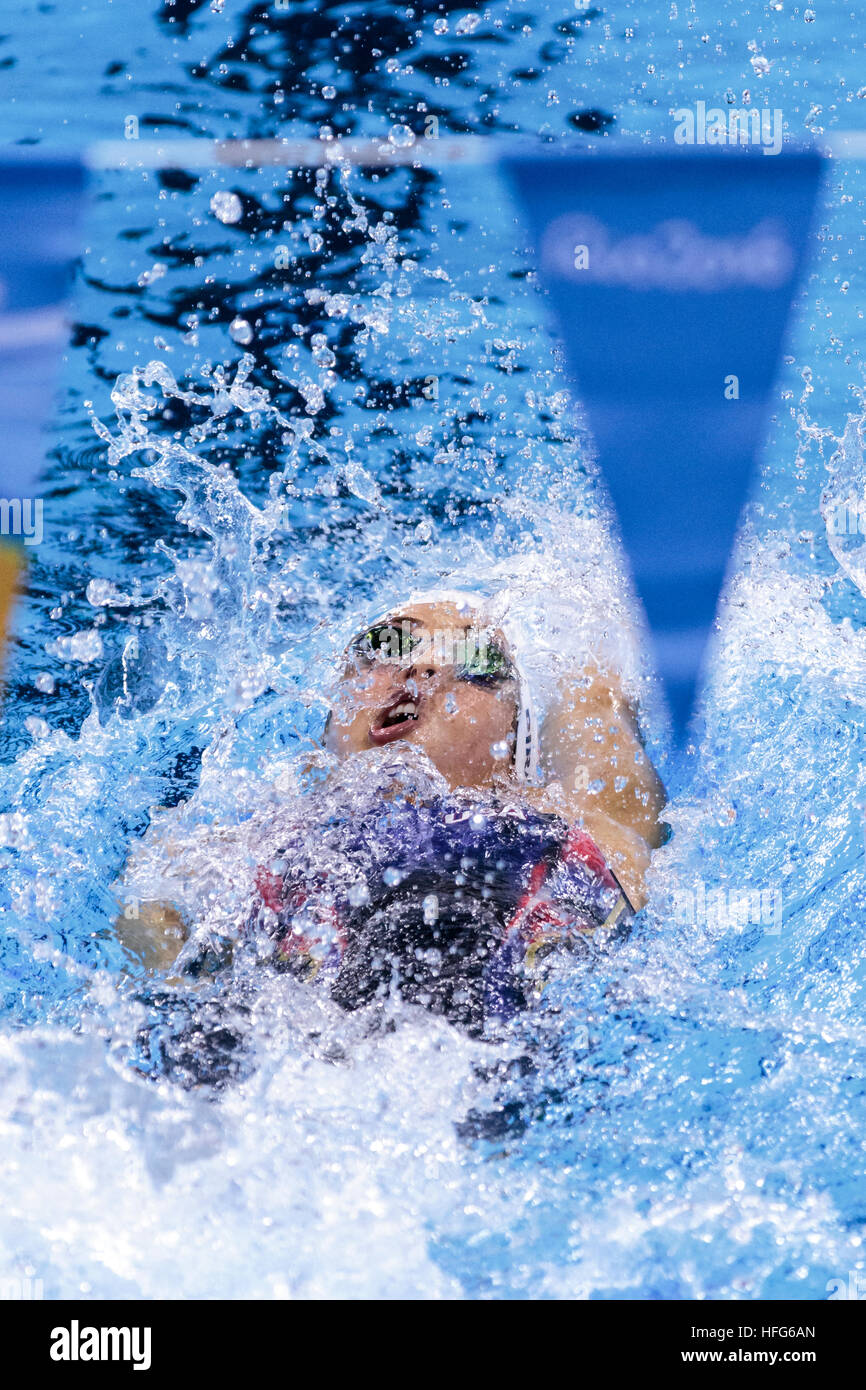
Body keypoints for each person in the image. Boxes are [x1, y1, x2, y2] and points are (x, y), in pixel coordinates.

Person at [117, 590, 667, 1037]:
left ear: (519, 757)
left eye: (477, 660)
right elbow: (155, 956)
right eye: (387, 643)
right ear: (326, 736)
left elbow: (597, 697)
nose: (424, 666)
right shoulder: (242, 849)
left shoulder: (576, 824)